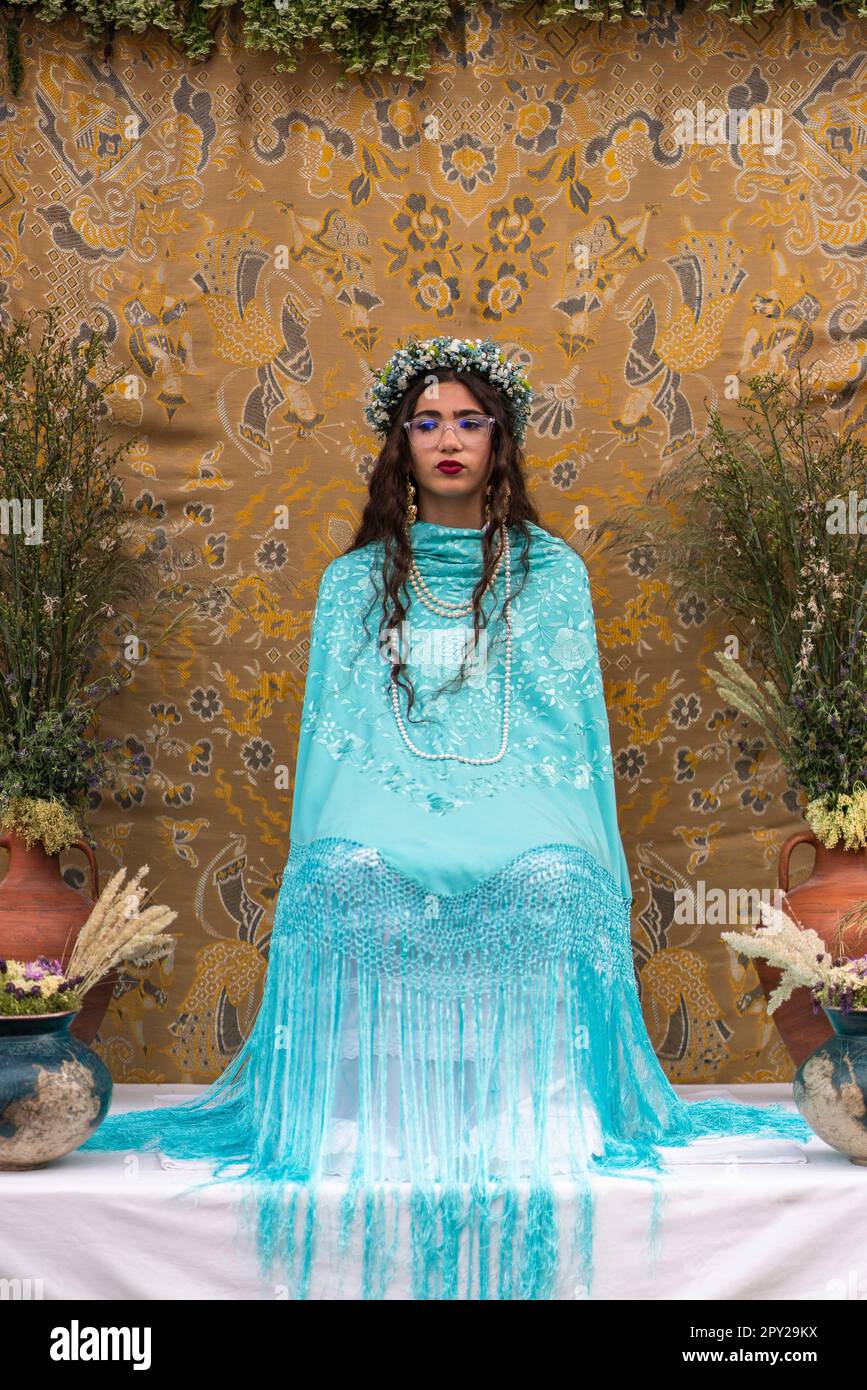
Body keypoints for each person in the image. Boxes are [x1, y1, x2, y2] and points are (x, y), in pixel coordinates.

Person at [80, 335, 812, 1300]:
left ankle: (547, 1126)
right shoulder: (353, 585)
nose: (449, 440)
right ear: (401, 446)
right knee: (342, 874)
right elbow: (338, 743)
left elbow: (566, 739)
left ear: (499, 441)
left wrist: (524, 832)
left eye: (469, 421)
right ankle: (354, 1127)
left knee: (554, 879)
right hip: (385, 809)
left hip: (521, 807)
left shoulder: (553, 577)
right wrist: (389, 832)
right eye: (428, 423)